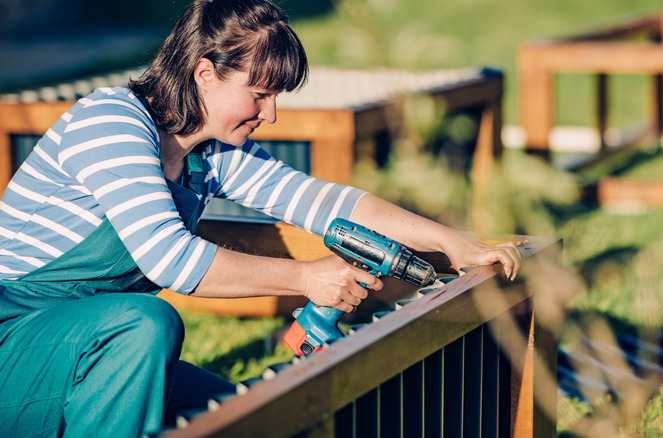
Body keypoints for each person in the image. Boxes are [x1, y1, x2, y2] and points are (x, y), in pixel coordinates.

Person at [0, 0, 522, 436]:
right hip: (15, 342)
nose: (270, 114)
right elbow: (171, 260)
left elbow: (328, 203)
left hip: (86, 342)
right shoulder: (110, 122)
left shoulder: (208, 151)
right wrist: (306, 276)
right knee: (146, 323)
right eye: (260, 93)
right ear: (204, 73)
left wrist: (454, 244)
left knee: (244, 414)